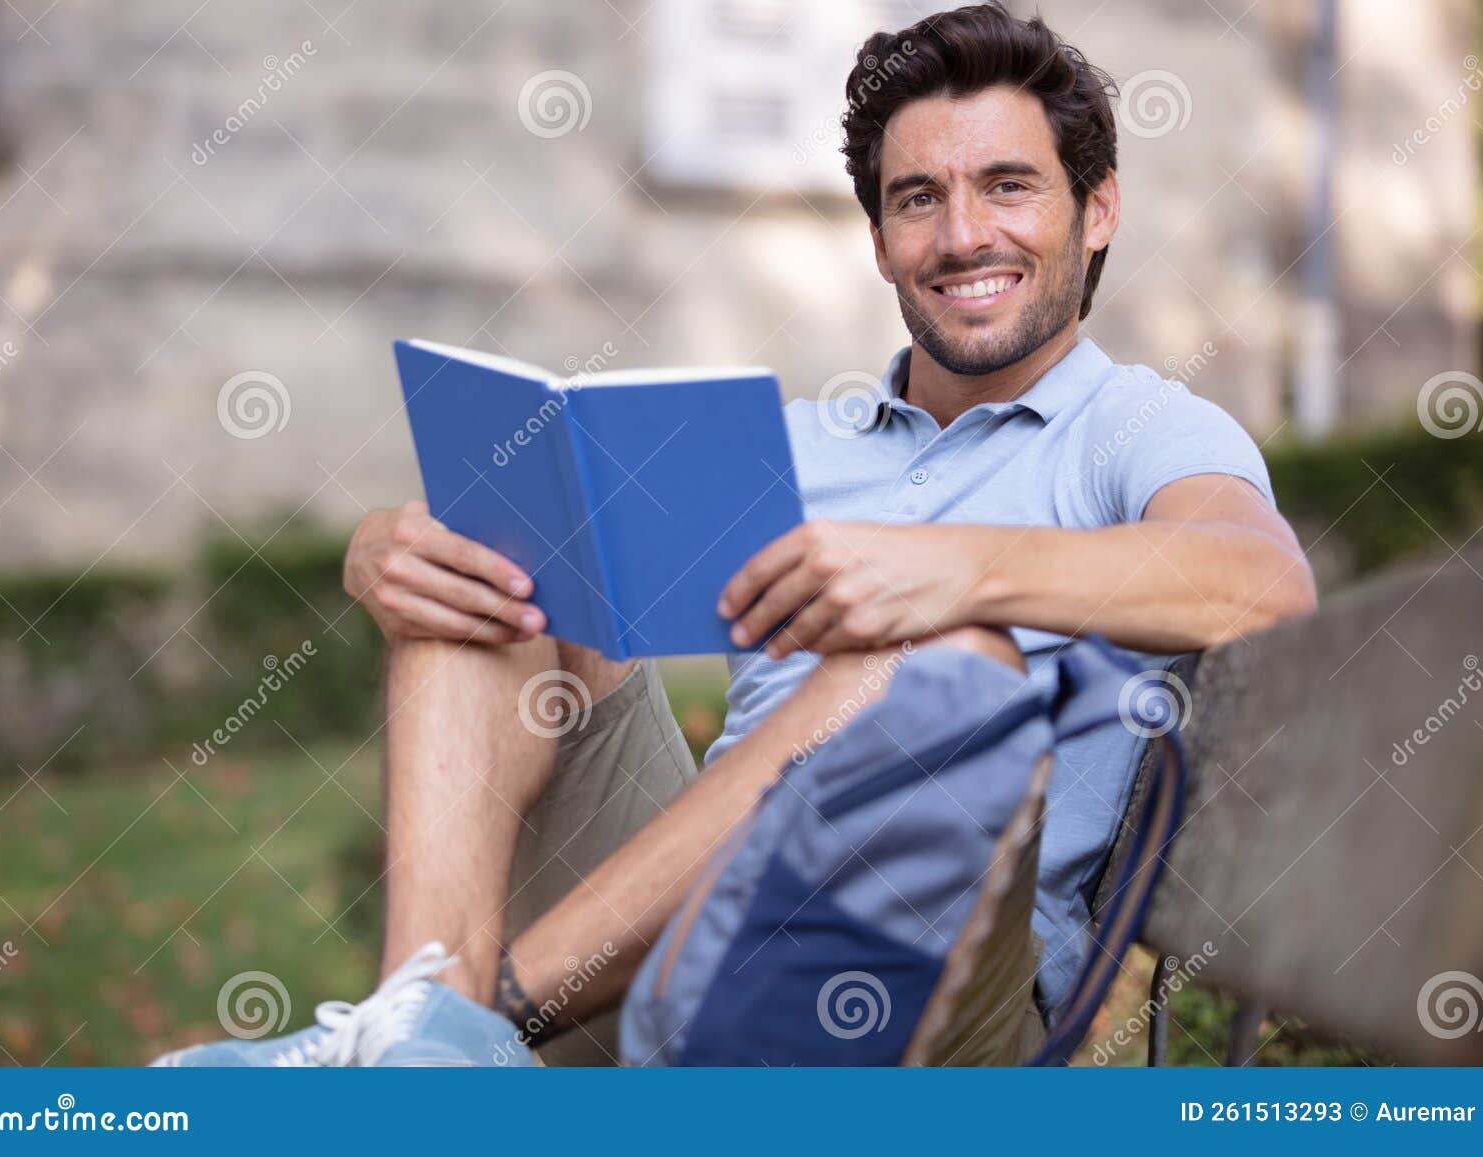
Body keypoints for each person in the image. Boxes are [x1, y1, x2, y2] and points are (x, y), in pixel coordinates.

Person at [155, 1, 1315, 1067]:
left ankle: (467, 1028)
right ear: (878, 237)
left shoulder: (1139, 429)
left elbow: (1264, 583)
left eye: (1008, 186)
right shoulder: (793, 444)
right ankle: (419, 1034)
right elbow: (531, 572)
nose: (962, 234)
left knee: (929, 663)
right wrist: (388, 553)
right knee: (498, 559)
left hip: (933, 991)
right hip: (678, 948)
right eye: (917, 197)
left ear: (1095, 206)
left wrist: (950, 571)